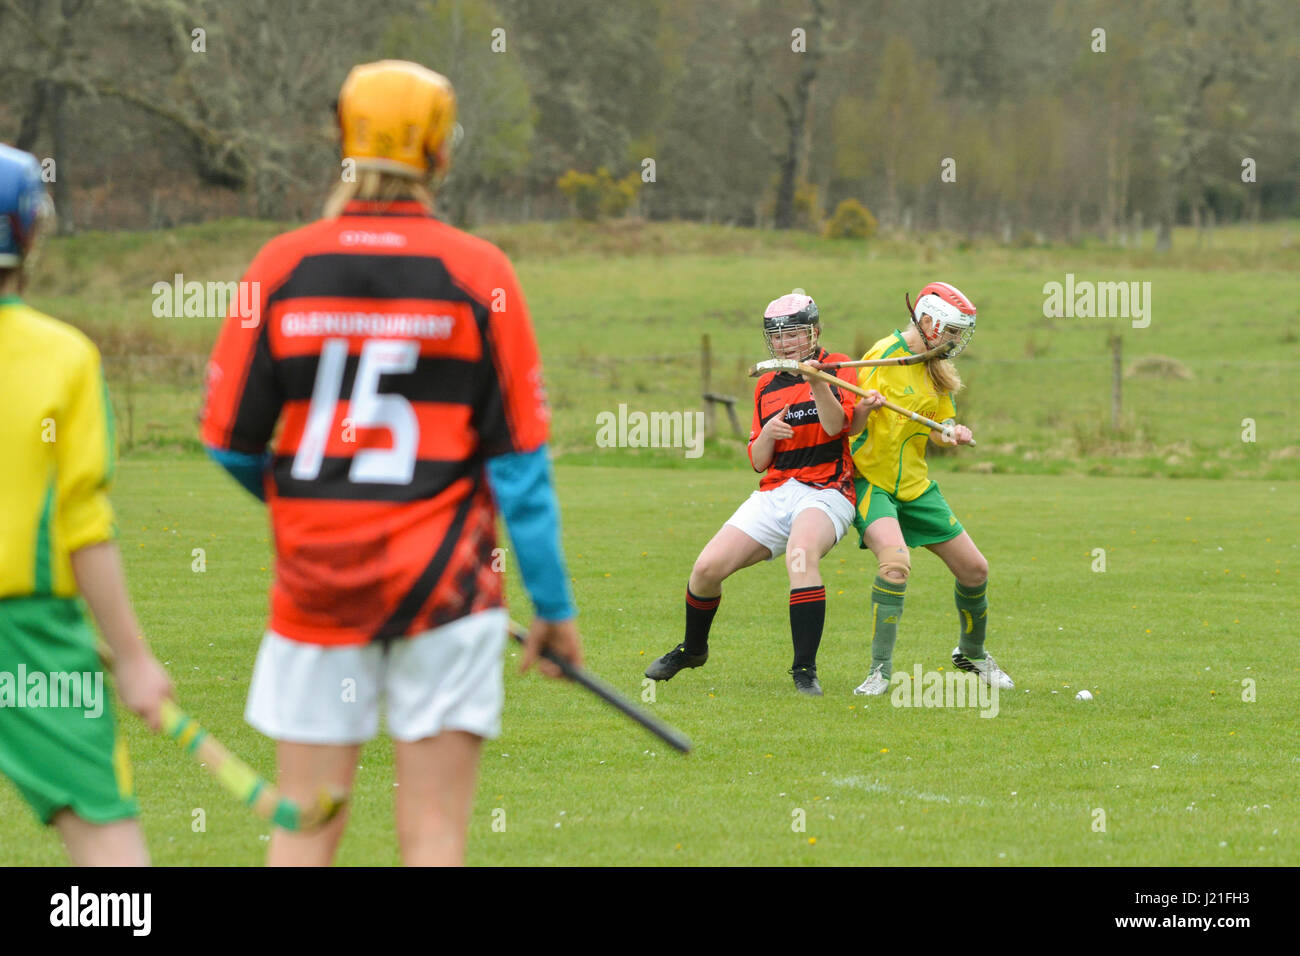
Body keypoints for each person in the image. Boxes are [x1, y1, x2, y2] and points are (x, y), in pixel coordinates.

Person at [198, 60, 583, 866]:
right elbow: (521, 470)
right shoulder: (482, 275)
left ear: (342, 139)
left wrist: (310, 504)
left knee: (303, 836)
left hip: (316, 587)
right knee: (434, 838)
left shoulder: (279, 267)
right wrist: (552, 606)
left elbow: (230, 441)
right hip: (449, 592)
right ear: (441, 153)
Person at [0, 143, 173, 865]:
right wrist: (132, 658)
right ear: (30, 230)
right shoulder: (64, 356)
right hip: (35, 635)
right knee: (110, 862)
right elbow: (84, 526)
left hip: (35, 635)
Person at [644, 293, 872, 696]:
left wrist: (818, 381)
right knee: (705, 570)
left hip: (827, 490)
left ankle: (804, 672)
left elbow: (839, 426)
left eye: (795, 334)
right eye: (778, 336)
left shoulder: (839, 368)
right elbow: (757, 459)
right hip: (775, 491)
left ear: (814, 332)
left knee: (801, 557)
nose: (786, 343)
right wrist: (767, 434)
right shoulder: (766, 385)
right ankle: (693, 649)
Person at [844, 281, 1014, 696]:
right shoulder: (881, 358)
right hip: (872, 483)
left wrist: (952, 434)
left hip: (916, 487)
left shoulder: (936, 366)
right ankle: (879, 672)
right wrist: (865, 408)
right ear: (928, 321)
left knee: (976, 570)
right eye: (953, 330)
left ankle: (972, 653)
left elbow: (938, 428)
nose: (957, 340)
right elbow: (848, 425)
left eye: (961, 333)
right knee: (895, 565)